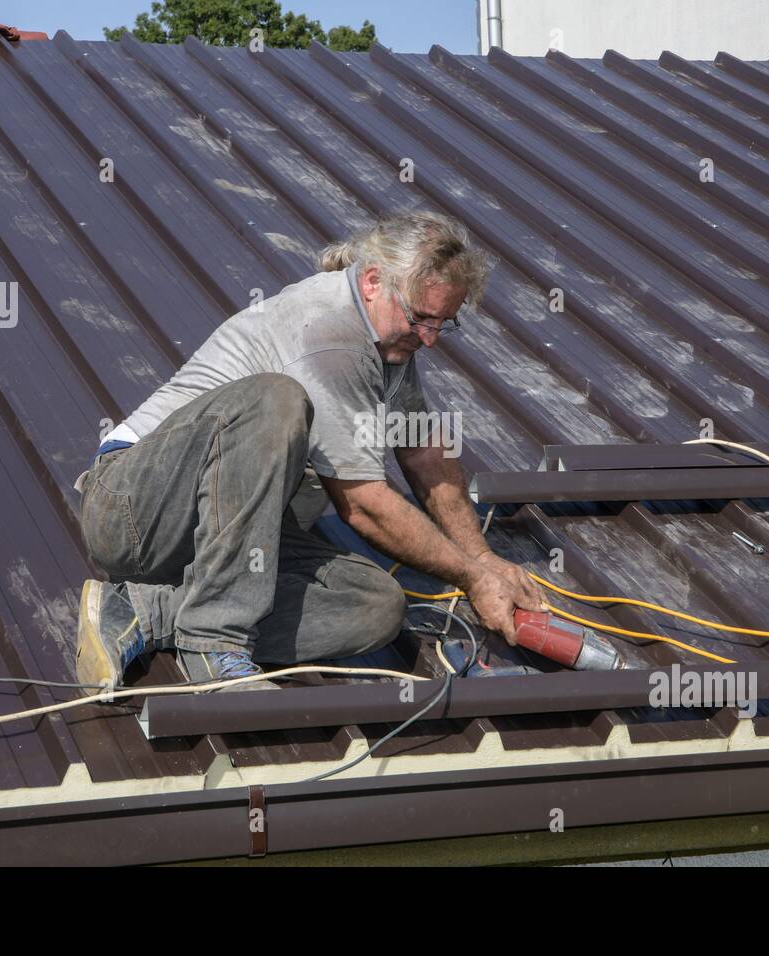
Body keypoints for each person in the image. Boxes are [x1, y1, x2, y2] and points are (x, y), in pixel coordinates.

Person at [73, 211, 542, 691]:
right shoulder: (329, 335)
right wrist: (472, 577)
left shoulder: (391, 344)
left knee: (375, 604)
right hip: (133, 512)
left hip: (221, 542)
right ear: (373, 282)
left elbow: (424, 455)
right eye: (421, 318)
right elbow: (361, 504)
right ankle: (214, 641)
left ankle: (145, 612)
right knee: (276, 399)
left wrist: (482, 559)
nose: (430, 338)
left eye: (446, 324)